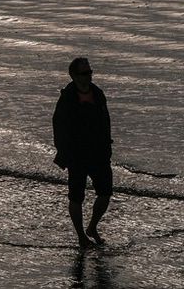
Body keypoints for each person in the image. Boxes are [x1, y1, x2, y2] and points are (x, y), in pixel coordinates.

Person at [52, 57, 113, 247]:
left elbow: (106, 121)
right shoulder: (67, 97)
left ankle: (92, 226)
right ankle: (81, 236)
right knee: (76, 196)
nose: (89, 76)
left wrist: (107, 146)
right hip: (76, 155)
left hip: (99, 154)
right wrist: (63, 152)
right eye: (84, 73)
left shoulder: (98, 93)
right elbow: (58, 126)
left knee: (105, 193)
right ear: (74, 75)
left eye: (90, 72)